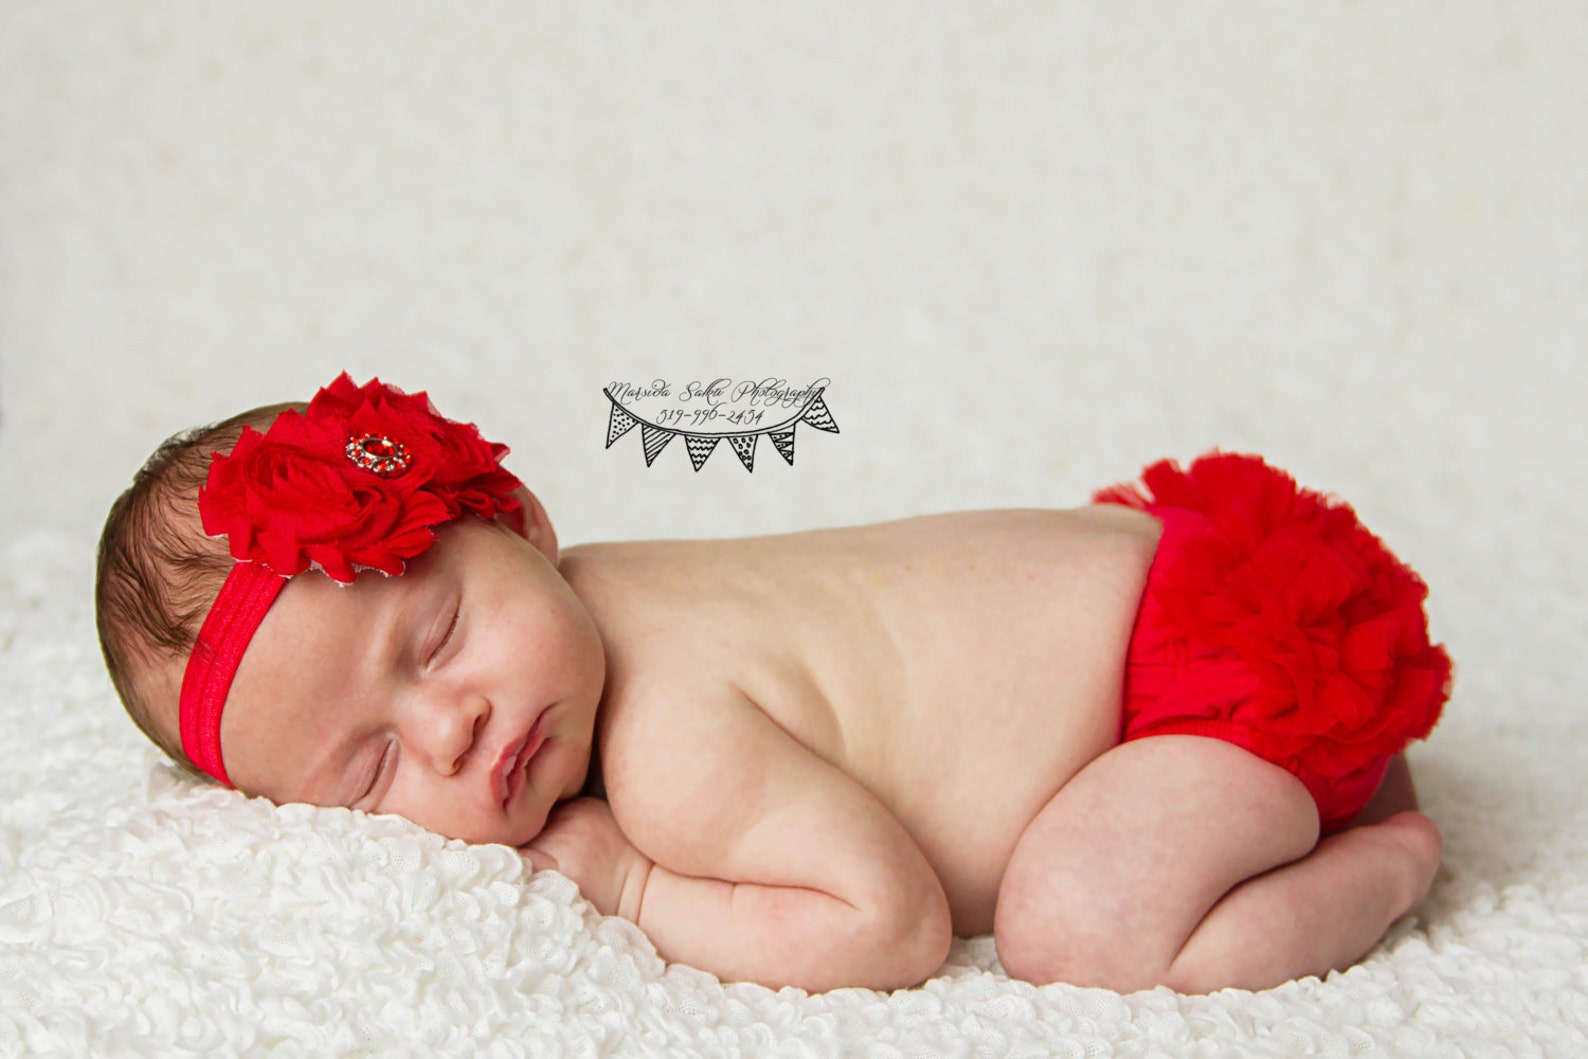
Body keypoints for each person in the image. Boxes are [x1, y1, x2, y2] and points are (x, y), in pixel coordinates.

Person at [95, 373, 1452, 995]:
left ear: (517, 520)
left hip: (1225, 674)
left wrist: (632, 886)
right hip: (1167, 574)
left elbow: (890, 925)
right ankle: (1314, 803)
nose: (446, 728)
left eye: (435, 639)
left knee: (1077, 934)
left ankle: (1384, 855)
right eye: (369, 770)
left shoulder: (675, 745)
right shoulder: (595, 596)